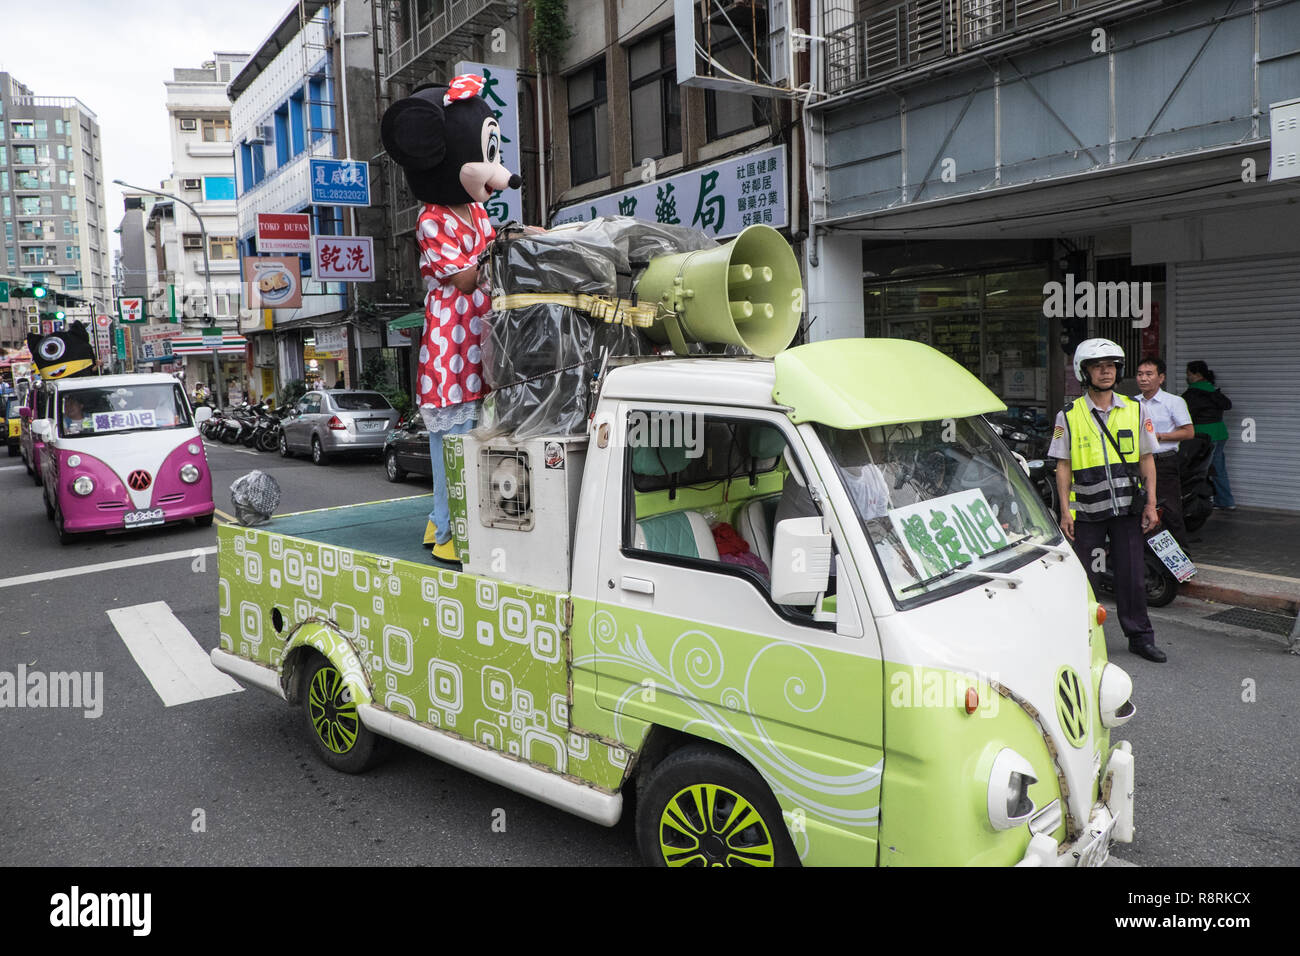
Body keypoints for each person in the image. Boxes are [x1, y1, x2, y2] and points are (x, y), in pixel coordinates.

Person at [1050, 338, 1166, 663]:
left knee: (1132, 575)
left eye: (1112, 365)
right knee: (1088, 577)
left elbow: (1147, 459)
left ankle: (1140, 637)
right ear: (1084, 371)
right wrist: (1065, 511)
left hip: (1127, 509)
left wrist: (1150, 502)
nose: (1106, 371)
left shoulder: (1135, 409)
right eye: (1098, 366)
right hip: (1087, 511)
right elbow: (1063, 465)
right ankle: (1084, 638)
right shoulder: (1069, 415)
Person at [1134, 356, 1194, 548]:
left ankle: (1181, 564)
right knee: (1140, 510)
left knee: (1170, 512)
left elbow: (1188, 432)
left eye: (1149, 374)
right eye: (1140, 374)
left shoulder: (1174, 402)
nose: (1143, 378)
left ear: (1161, 378)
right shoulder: (1132, 404)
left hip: (1164, 462)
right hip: (1138, 463)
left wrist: (1158, 436)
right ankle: (1149, 560)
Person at [1182, 360, 1235, 510]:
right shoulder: (1212, 390)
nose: (1187, 377)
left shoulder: (1192, 393)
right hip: (1220, 433)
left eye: (1188, 374)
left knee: (1199, 469)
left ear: (1196, 375)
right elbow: (1227, 405)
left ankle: (1202, 500)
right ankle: (1225, 500)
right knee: (1218, 468)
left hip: (1203, 436)